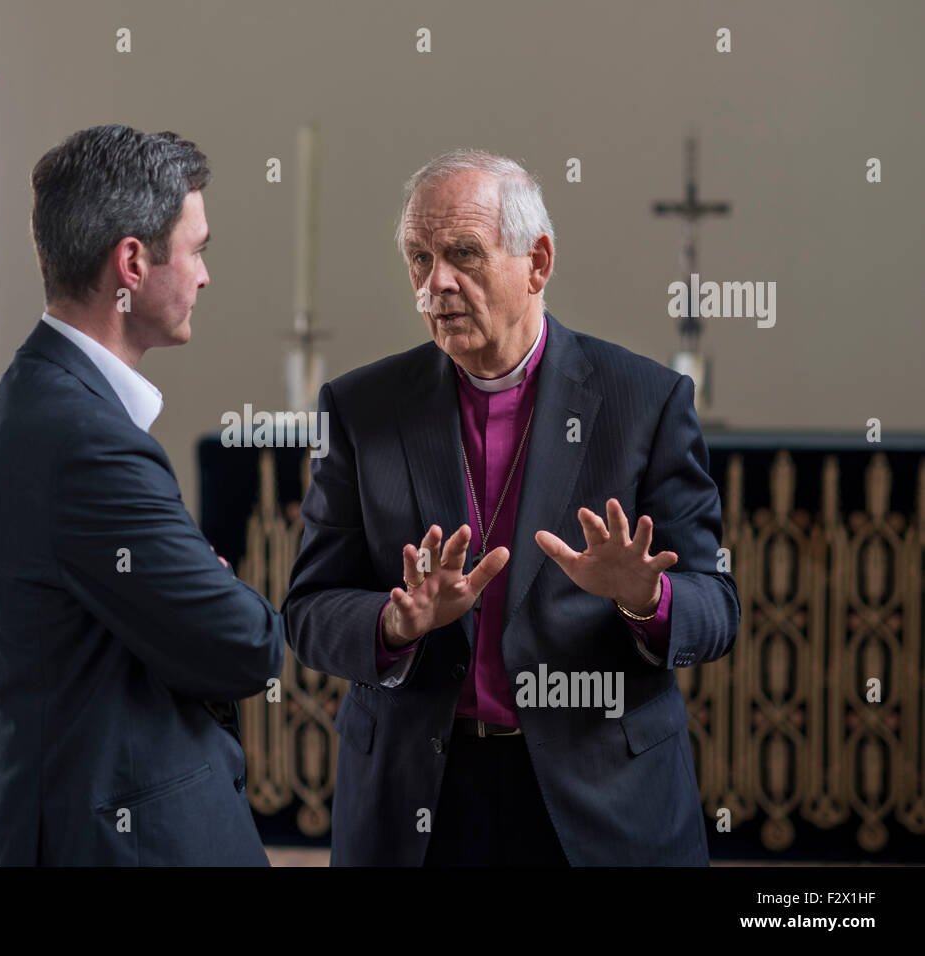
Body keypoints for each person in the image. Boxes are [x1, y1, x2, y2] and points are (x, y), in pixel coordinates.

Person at [283, 150, 739, 866]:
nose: (436, 282)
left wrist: (648, 599)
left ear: (538, 261)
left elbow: (718, 609)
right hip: (419, 799)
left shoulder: (644, 403)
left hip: (597, 799)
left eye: (463, 253)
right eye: (419, 258)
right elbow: (307, 611)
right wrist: (392, 622)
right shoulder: (361, 409)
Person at [0, 124, 283, 865]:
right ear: (133, 263)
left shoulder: (46, 397)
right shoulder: (86, 439)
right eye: (197, 248)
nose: (205, 275)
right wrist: (218, 587)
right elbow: (246, 644)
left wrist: (197, 586)